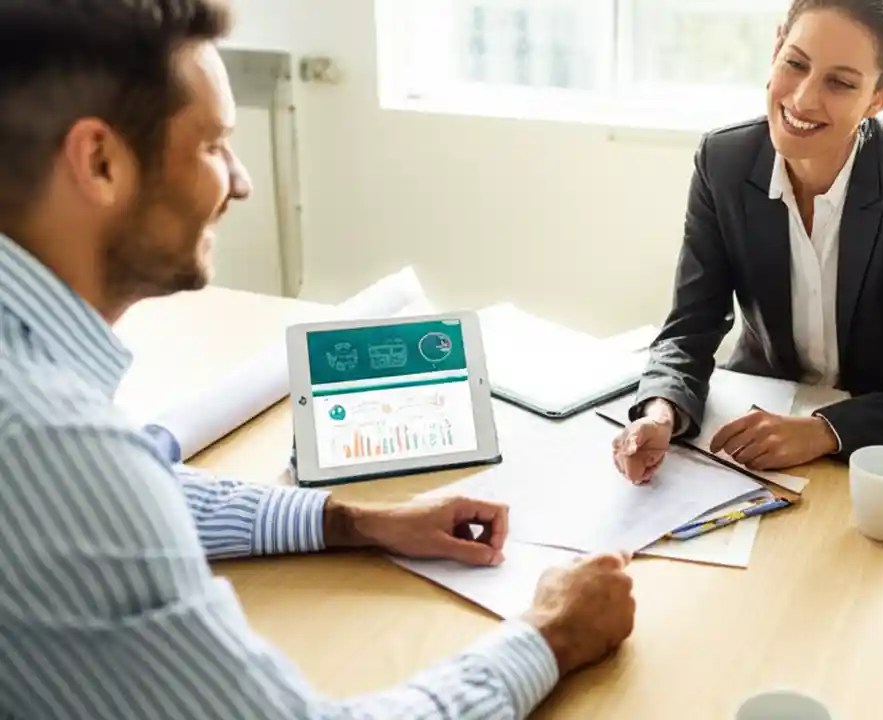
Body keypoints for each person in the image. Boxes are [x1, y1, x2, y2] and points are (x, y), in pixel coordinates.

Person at [0, 2, 634, 718]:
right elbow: (94, 484)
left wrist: (355, 521)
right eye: (213, 145)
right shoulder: (56, 444)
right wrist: (550, 634)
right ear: (100, 162)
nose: (238, 181)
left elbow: (127, 484)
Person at [612, 0, 883, 484]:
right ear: (776, 46)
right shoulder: (723, 162)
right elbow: (689, 328)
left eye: (840, 83)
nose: (803, 99)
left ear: (880, 97)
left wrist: (827, 430)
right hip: (759, 425)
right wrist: (660, 412)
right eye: (796, 64)